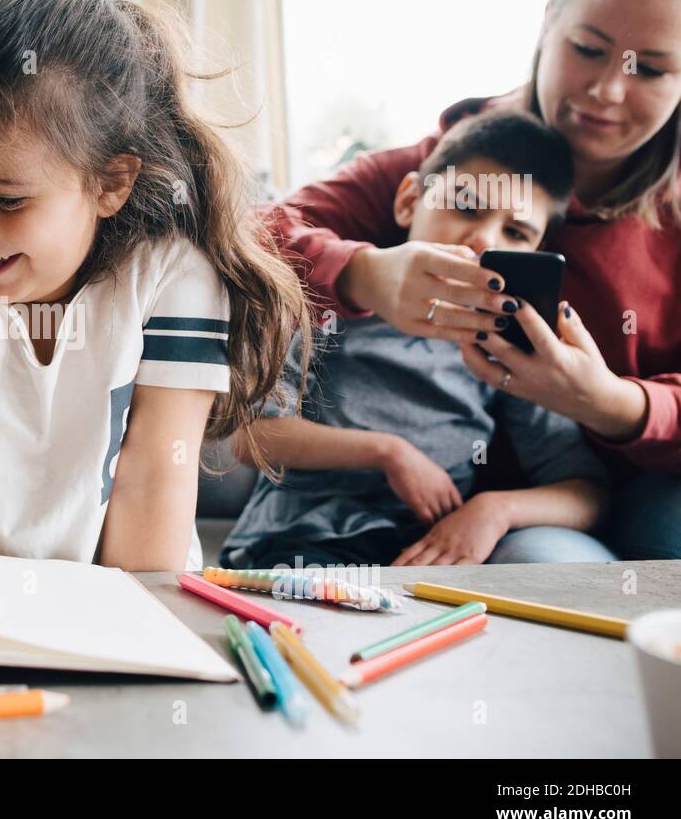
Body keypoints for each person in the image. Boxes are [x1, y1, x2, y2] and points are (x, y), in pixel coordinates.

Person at [264, 0, 681, 559]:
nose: (606, 90)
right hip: (430, 515)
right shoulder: (462, 155)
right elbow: (250, 233)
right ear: (549, 23)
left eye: (649, 69)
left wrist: (615, 404)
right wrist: (364, 272)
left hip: (605, 491)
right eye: (587, 49)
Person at [0, 0, 308, 571]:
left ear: (110, 183)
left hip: (136, 587)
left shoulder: (175, 276)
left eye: (9, 201)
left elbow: (151, 479)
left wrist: (105, 619)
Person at [222, 112, 611, 569]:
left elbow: (586, 493)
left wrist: (496, 510)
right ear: (410, 201)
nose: (483, 239)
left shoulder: (507, 349)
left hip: (428, 554)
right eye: (466, 207)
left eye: (515, 232)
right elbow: (251, 437)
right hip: (301, 540)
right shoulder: (329, 304)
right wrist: (389, 453)